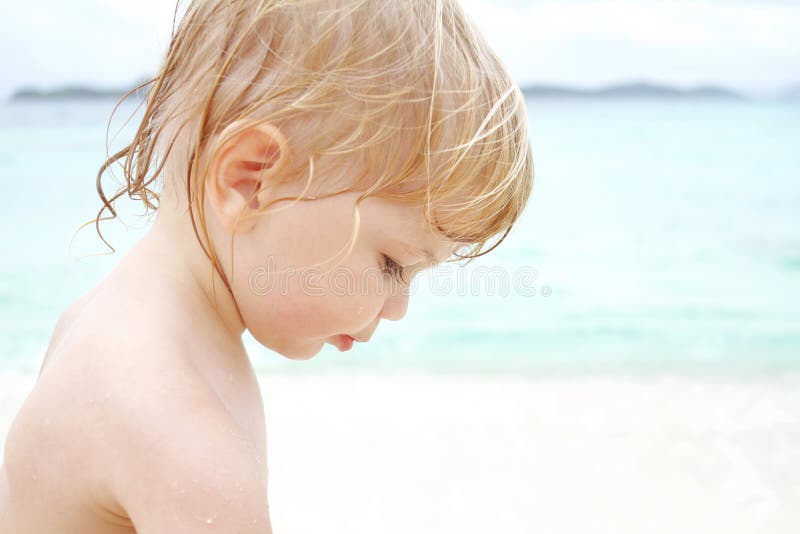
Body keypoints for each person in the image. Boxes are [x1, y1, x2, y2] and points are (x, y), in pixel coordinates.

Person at [0, 0, 533, 531]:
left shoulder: (92, 324)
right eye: (392, 262)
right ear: (250, 182)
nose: (398, 308)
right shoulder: (187, 441)